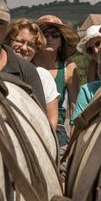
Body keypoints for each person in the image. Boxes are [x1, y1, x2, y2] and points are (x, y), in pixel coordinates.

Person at [35, 15, 81, 149]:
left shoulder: (69, 68)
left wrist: (74, 143)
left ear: (61, 42)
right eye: (45, 33)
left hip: (58, 130)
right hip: (29, 122)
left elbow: (74, 108)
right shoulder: (27, 64)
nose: (49, 38)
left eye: (55, 34)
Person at [6, 18, 59, 133]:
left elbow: (52, 119)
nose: (24, 48)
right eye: (20, 41)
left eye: (30, 45)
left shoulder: (42, 75)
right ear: (9, 41)